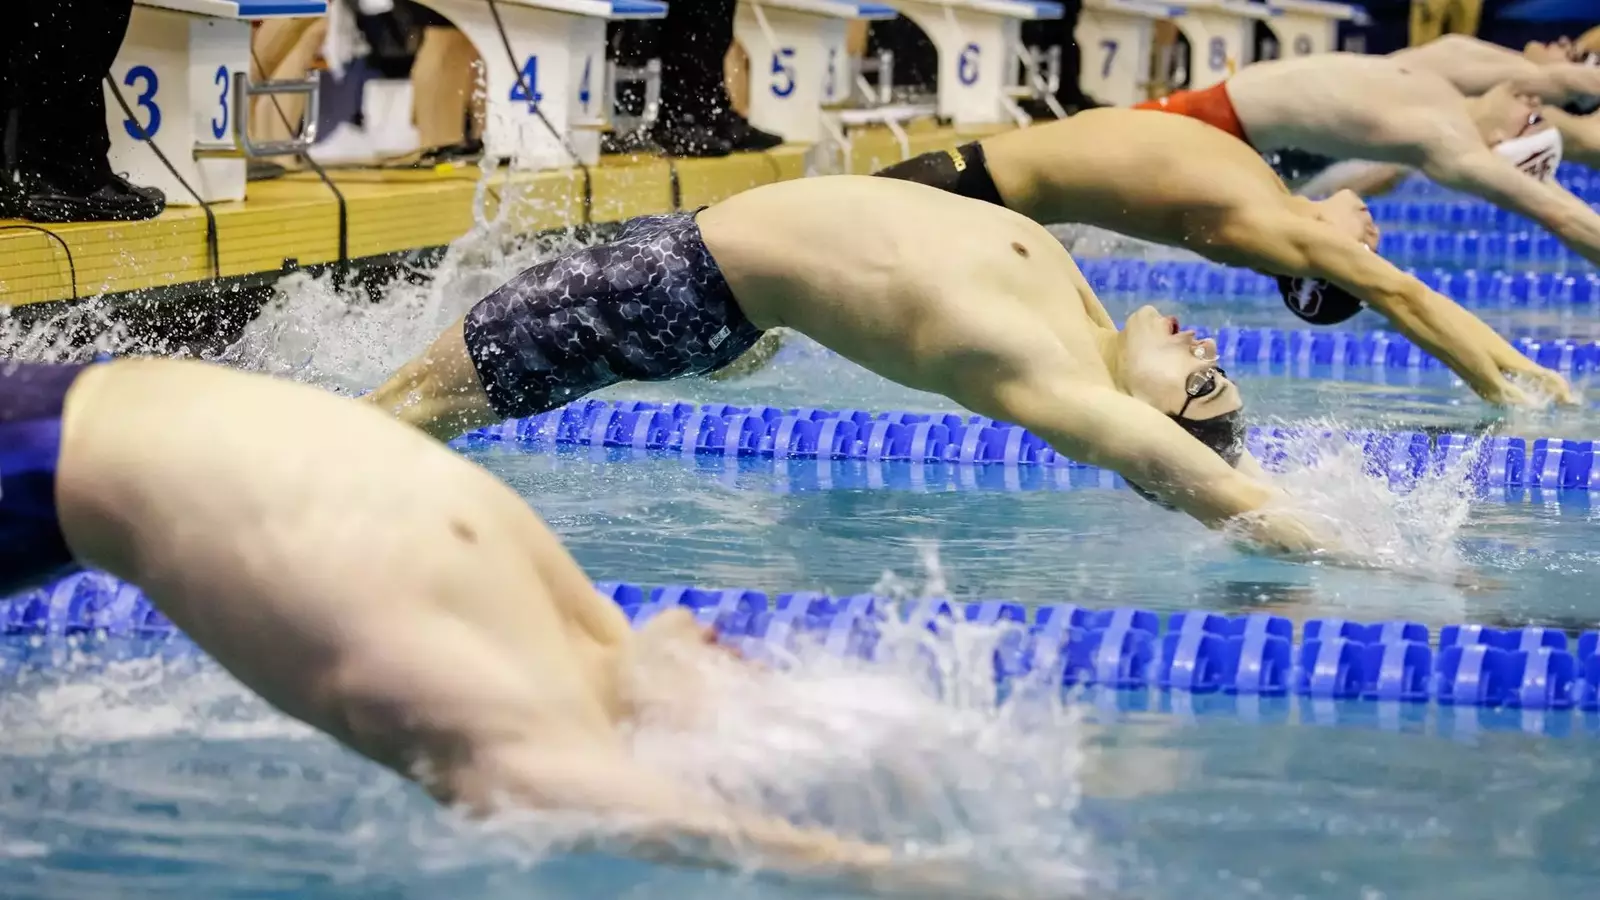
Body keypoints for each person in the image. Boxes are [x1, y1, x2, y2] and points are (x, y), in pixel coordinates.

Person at [0, 355, 1031, 900]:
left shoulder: (555, 638)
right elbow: (575, 796)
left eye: (754, 684)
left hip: (71, 432)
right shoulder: (533, 681)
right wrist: (897, 878)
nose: (746, 652)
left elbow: (636, 773)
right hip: (52, 452)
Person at [369, 175, 1337, 551]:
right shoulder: (1082, 325)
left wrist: (1345, 553)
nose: (1205, 349)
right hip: (711, 289)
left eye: (1200, 381)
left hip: (673, 286)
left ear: (1140, 422)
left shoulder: (1047, 380)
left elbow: (1199, 483)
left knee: (400, 408)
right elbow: (1218, 470)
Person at [869, 107, 1574, 408]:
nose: (1371, 228)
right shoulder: (1275, 197)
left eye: (1362, 248)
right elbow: (1410, 290)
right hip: (966, 187)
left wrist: (1504, 389)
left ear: (1323, 264)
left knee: (770, 302)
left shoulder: (1271, 226)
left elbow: (1408, 299)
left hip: (961, 194)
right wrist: (1519, 364)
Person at [1126, 52, 1600, 269]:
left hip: (1201, 129)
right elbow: (1555, 75)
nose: (1532, 100)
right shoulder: (1450, 71)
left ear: (1498, 143)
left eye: (1531, 118)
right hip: (1200, 111)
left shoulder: (1445, 142)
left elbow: (1558, 213)